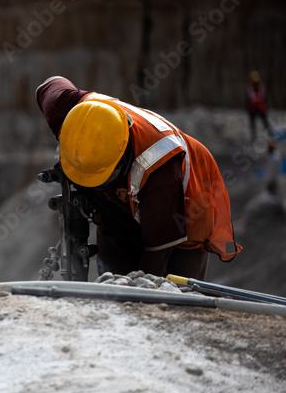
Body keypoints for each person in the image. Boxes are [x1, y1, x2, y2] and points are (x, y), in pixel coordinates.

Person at [36, 75, 241, 280]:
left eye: (101, 178)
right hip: (124, 196)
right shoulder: (71, 113)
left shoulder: (161, 170)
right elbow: (50, 86)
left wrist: (140, 287)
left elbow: (157, 255)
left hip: (189, 196)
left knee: (174, 292)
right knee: (112, 280)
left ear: (122, 157)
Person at [246, 71, 272, 143]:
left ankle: (271, 135)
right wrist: (248, 108)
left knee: (265, 122)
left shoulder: (261, 88)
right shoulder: (249, 89)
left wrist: (266, 106)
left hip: (261, 108)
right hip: (253, 108)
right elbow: (248, 100)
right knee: (253, 124)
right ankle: (254, 137)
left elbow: (265, 98)